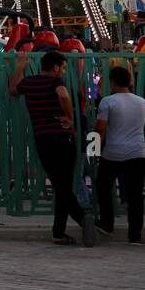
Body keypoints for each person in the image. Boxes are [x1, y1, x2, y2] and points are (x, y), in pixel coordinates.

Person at [9, 49, 96, 246]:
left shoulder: (29, 82)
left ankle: (60, 232)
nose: (64, 72)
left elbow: (12, 90)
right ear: (55, 67)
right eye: (63, 68)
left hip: (43, 139)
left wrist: (20, 67)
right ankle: (82, 218)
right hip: (64, 138)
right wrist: (70, 118)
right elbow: (64, 96)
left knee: (60, 185)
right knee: (63, 185)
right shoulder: (56, 82)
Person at [95, 66, 145, 244]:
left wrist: (95, 150)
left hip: (113, 153)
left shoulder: (108, 102)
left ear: (113, 82)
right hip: (138, 152)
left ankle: (107, 223)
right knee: (135, 195)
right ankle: (135, 235)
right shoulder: (142, 102)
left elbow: (100, 129)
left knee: (102, 186)